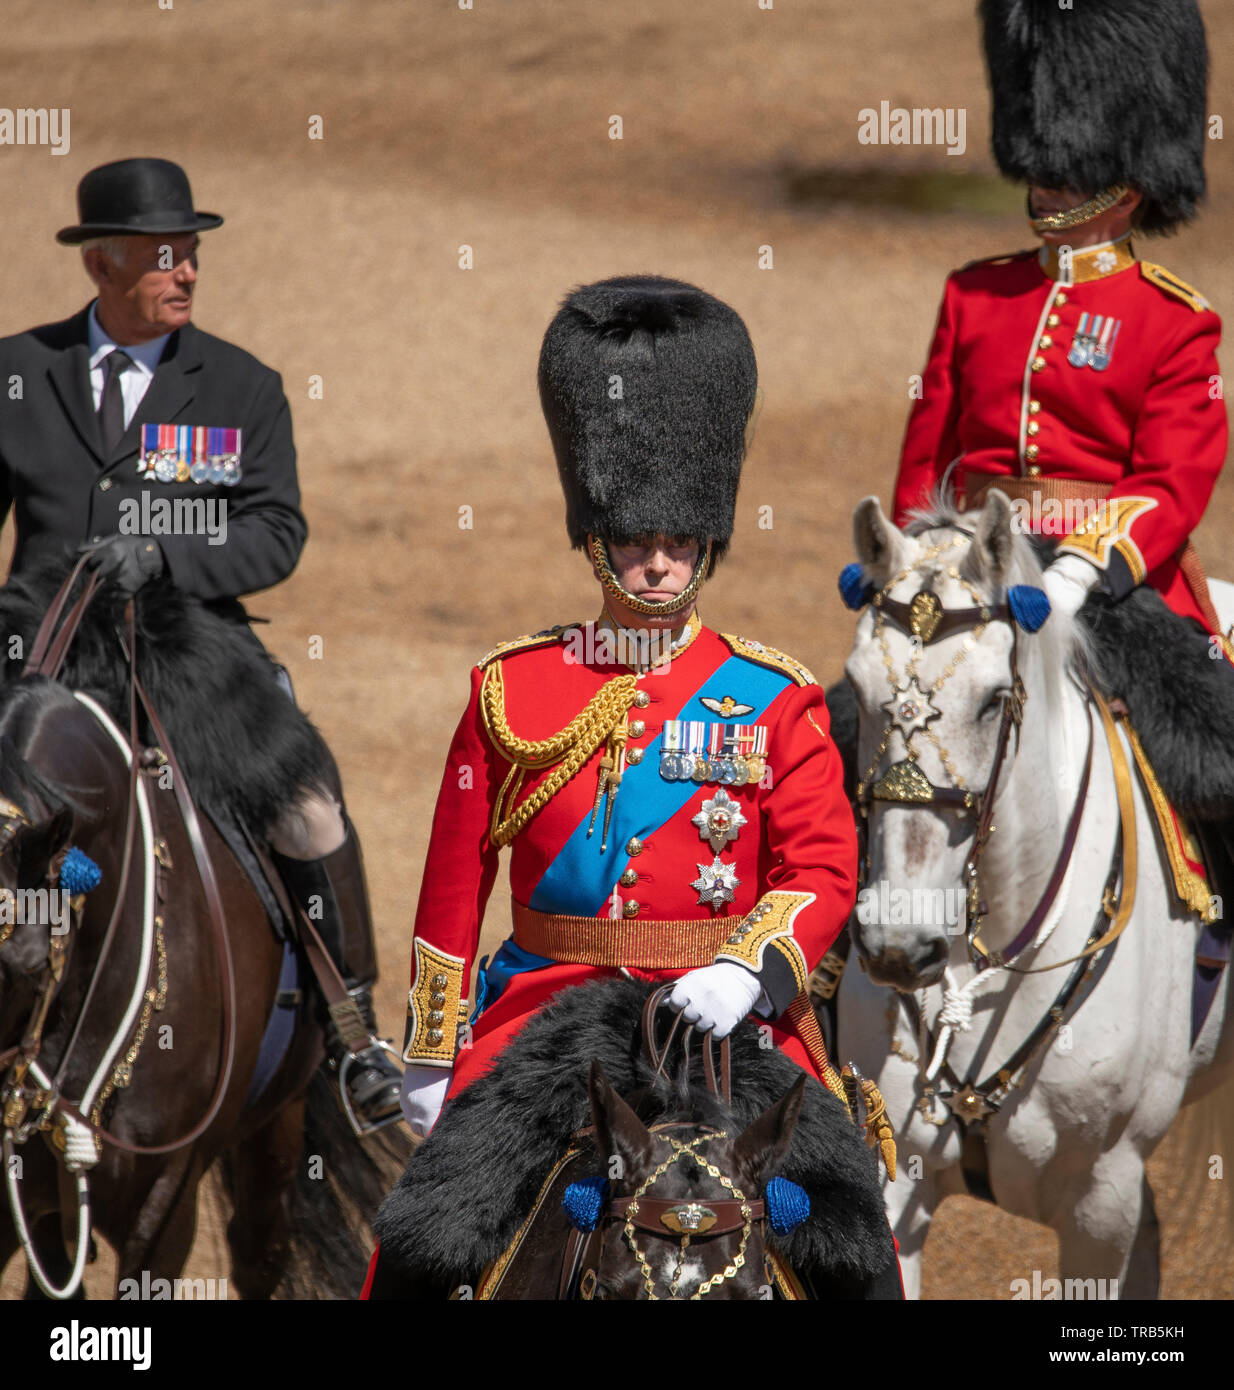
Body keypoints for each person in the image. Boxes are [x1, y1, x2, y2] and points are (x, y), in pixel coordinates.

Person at [393, 275, 858, 1140]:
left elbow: (824, 870)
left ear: (705, 543)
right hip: (542, 1013)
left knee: (845, 1224)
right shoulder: (510, 685)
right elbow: (454, 883)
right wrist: (429, 1048)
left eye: (677, 541)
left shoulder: (777, 698)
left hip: (725, 1020)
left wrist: (749, 973)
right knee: (424, 1244)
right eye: (634, 541)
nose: (656, 564)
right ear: (598, 540)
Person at [0, 157, 402, 1130]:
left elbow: (278, 532)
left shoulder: (243, 386)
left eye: (192, 254)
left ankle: (354, 1032)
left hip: (191, 656)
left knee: (307, 808)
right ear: (101, 262)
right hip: (36, 657)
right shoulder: (15, 372)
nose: (184, 272)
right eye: (160, 256)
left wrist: (168, 554)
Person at [893, 0, 1228, 642]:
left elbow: (1171, 480)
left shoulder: (1175, 321)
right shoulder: (974, 293)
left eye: (1068, 178)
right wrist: (909, 548)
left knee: (1198, 725)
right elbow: (929, 458)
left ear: (1126, 192)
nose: (1045, 187)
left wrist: (1078, 570)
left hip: (1112, 581)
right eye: (1042, 171)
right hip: (974, 565)